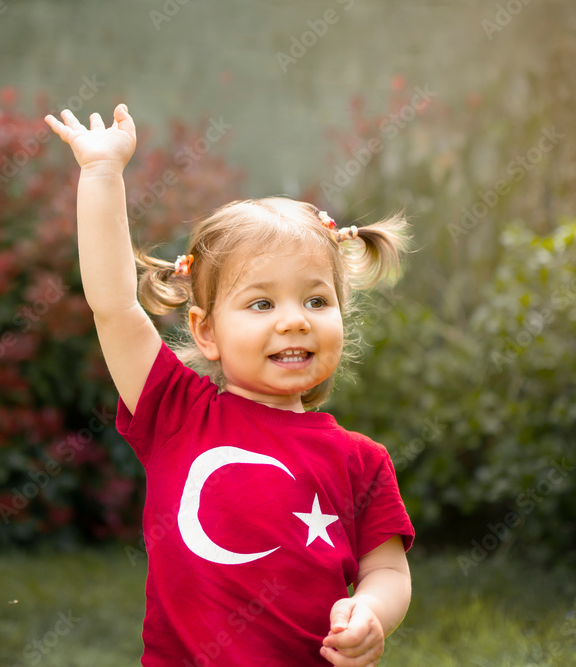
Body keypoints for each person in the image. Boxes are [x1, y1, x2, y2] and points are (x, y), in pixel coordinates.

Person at [45, 103, 414, 667]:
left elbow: (387, 570)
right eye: (261, 303)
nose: (293, 320)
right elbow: (114, 306)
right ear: (206, 331)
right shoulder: (175, 412)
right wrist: (101, 175)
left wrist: (371, 611)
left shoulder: (361, 462)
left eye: (316, 300)